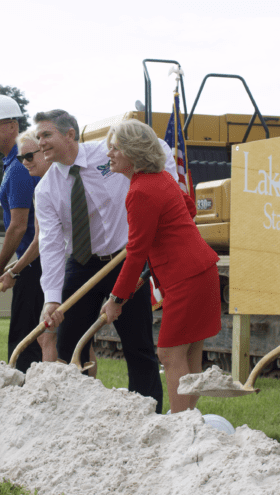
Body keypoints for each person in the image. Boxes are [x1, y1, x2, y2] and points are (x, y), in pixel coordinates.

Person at [33, 109, 177, 414]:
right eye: (38, 136)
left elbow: (160, 148)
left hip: (125, 260)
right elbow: (51, 246)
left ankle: (147, 414)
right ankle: (71, 412)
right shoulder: (45, 189)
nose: (40, 142)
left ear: (69, 134)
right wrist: (52, 298)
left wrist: (166, 192)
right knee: (69, 345)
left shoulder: (109, 153)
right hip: (81, 264)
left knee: (138, 345)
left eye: (46, 134)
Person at [100, 119, 220, 414]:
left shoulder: (140, 191)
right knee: (190, 352)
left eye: (115, 148)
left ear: (133, 152)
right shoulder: (163, 178)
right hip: (202, 270)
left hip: (185, 278)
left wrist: (116, 299)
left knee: (169, 353)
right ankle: (188, 419)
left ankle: (179, 423)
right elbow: (188, 208)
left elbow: (136, 252)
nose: (109, 154)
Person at [0, 129, 97, 370]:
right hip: (74, 265)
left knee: (48, 335)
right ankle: (86, 385)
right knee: (81, 338)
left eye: (29, 156)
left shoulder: (51, 185)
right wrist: (13, 269)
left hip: (69, 267)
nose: (24, 163)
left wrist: (14, 271)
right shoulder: (48, 184)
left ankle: (50, 385)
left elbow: (40, 243)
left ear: (45, 152)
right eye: (20, 158)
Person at [0, 95, 42, 373]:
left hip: (35, 262)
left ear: (13, 126)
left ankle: (26, 388)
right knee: (30, 335)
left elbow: (18, 226)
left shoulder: (19, 167)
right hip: (30, 260)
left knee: (24, 339)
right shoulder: (12, 164)